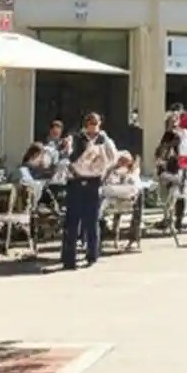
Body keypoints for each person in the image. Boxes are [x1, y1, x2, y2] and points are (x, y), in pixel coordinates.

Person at [62, 113, 117, 270]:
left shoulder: (104, 140)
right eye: (90, 123)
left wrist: (104, 174)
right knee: (72, 222)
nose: (93, 126)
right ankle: (68, 258)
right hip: (76, 181)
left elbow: (113, 159)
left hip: (93, 181)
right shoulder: (76, 137)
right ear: (85, 124)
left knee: (92, 221)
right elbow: (67, 156)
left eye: (96, 123)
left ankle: (92, 255)